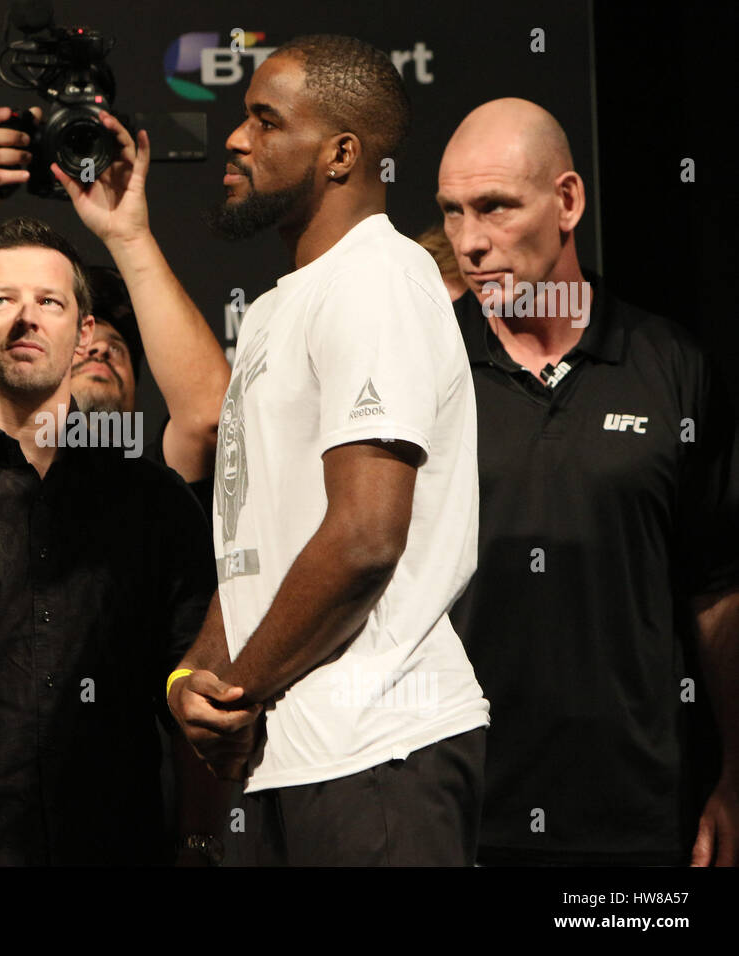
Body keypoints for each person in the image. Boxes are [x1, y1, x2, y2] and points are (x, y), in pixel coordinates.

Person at [154, 34, 491, 865]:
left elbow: (364, 536)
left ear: (342, 154)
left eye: (266, 122)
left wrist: (236, 694)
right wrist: (192, 677)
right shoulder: (276, 309)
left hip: (381, 747)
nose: (235, 139)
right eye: (241, 119)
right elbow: (258, 549)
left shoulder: (377, 277)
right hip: (291, 756)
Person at [437, 97, 739, 866]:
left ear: (567, 201)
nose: (470, 243)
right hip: (461, 817)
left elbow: (716, 590)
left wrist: (734, 776)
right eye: (453, 213)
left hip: (636, 820)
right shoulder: (425, 369)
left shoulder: (667, 367)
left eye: (496, 208)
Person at [0, 216, 222, 865]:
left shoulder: (153, 502)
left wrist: (201, 843)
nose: (27, 319)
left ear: (82, 335)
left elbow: (197, 696)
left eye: (49, 302)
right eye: (2, 301)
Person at [0, 107, 229, 492]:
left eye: (116, 350)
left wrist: (130, 238)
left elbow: (210, 419)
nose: (99, 353)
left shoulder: (154, 494)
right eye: (3, 301)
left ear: (80, 337)